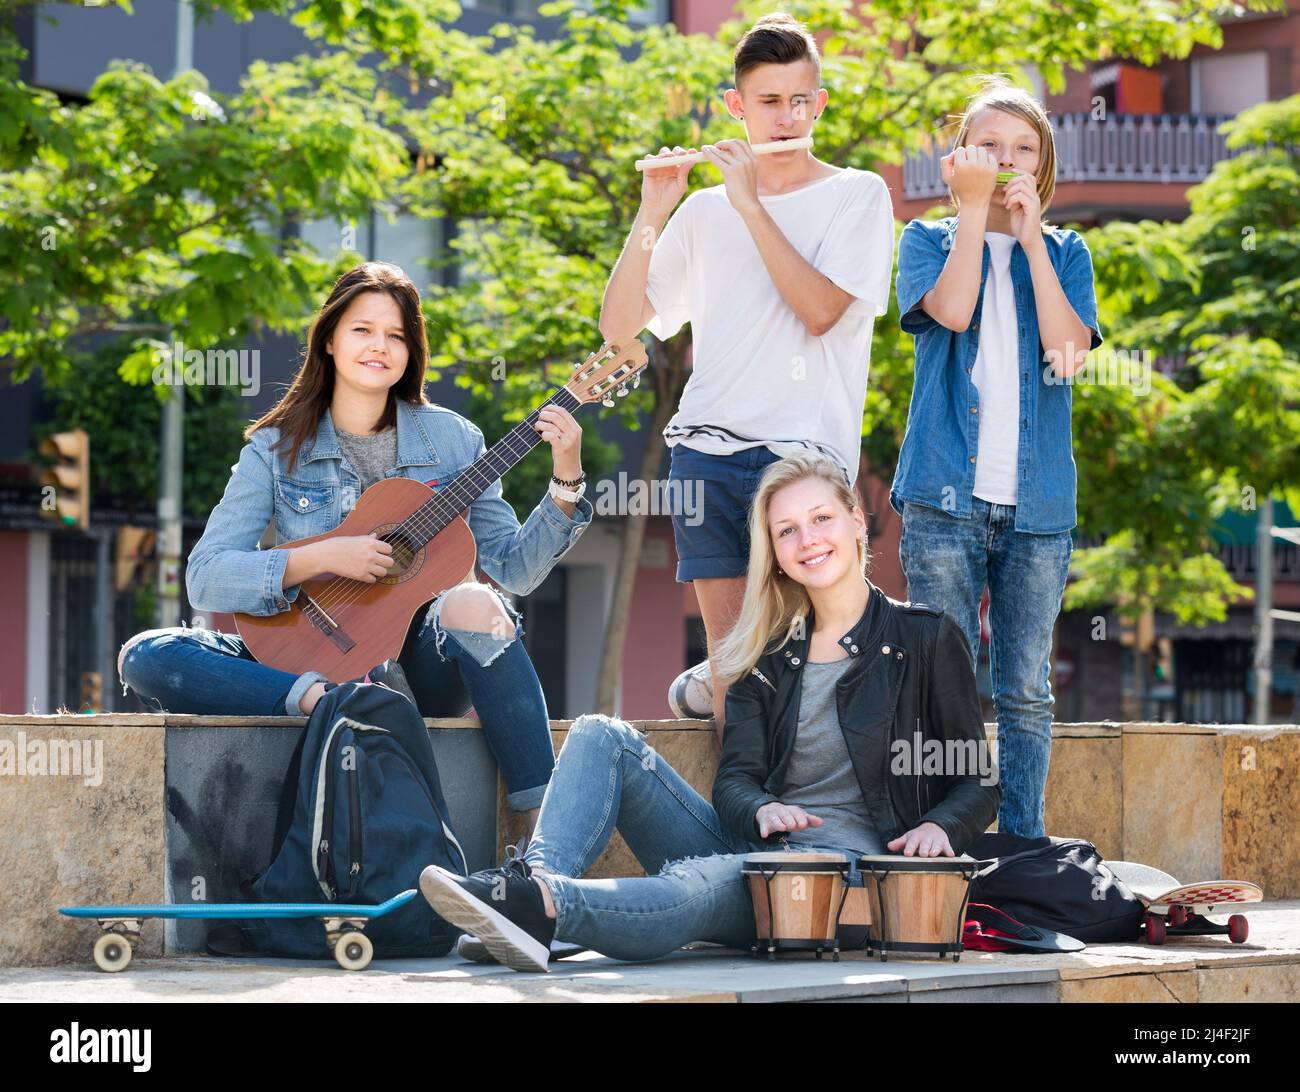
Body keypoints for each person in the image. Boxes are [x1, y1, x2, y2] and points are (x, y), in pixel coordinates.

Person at [419, 454, 999, 971]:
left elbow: (977, 778)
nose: (808, 540)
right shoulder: (764, 649)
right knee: (601, 734)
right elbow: (737, 781)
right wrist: (763, 807)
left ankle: (540, 908)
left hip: (838, 877)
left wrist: (940, 826)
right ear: (773, 549)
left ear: (855, 520)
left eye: (821, 519)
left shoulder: (925, 638)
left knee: (697, 881)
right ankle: (536, 885)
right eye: (787, 530)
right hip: (754, 846)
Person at [116, 261, 595, 828]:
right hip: (301, 659)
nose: (380, 346)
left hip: (412, 672)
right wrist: (321, 557)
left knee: (483, 605)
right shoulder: (274, 448)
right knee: (146, 654)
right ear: (330, 341)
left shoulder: (455, 440)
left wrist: (566, 481)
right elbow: (206, 575)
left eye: (396, 335)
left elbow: (514, 568)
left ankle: (543, 833)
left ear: (412, 351)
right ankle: (325, 702)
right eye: (363, 330)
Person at [598, 12, 895, 735]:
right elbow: (619, 325)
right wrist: (652, 210)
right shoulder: (703, 211)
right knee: (739, 671)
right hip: (708, 456)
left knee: (815, 656)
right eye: (768, 101)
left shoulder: (859, 195)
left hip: (805, 459)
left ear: (820, 101)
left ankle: (812, 824)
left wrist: (752, 206)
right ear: (736, 107)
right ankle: (744, 837)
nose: (787, 116)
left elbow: (821, 311)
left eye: (801, 99)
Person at [889, 78, 1103, 839]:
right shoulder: (928, 240)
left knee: (1024, 691)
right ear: (959, 155)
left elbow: (1068, 352)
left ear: (1042, 165)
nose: (1006, 160)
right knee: (939, 687)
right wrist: (976, 213)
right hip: (943, 502)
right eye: (989, 146)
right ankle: (940, 842)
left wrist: (1035, 237)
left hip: (1038, 507)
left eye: (1023, 148)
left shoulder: (1069, 251)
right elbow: (950, 311)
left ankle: (1021, 848)